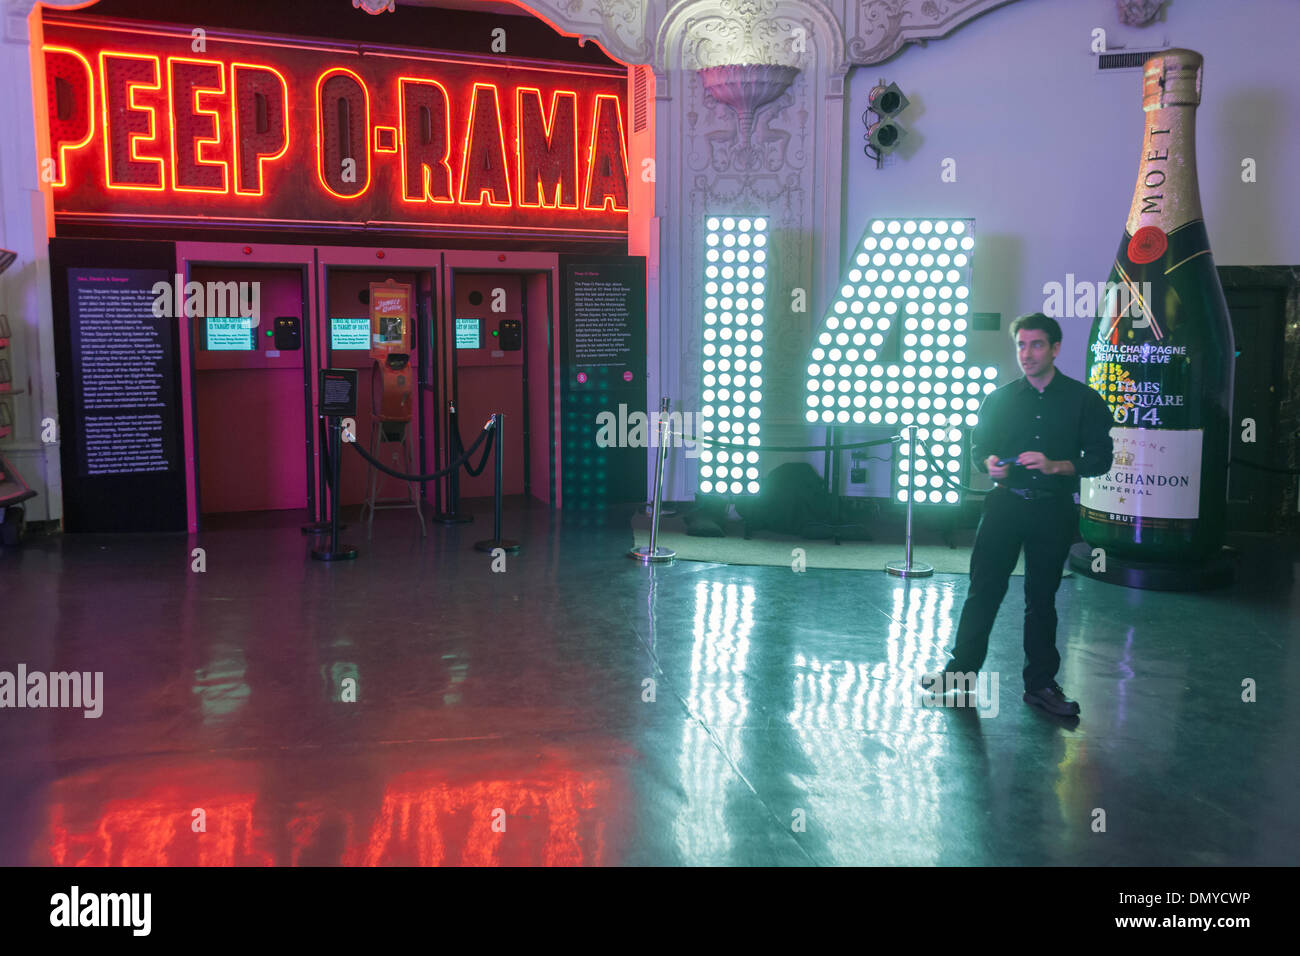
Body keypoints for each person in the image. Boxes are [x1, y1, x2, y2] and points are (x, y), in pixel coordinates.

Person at [938, 313, 1114, 717]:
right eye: (1021, 345)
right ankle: (959, 678)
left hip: (1052, 510)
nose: (1027, 353)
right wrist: (990, 464)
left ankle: (1040, 686)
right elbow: (979, 449)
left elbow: (1101, 460)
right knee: (983, 592)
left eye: (1036, 345)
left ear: (1055, 348)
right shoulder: (998, 399)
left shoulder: (1084, 400)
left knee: (1042, 600)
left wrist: (1056, 466)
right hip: (1004, 505)